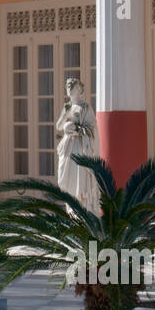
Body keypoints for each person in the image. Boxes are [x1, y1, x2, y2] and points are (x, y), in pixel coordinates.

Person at [55, 77, 99, 213]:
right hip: (68, 146)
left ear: (79, 89)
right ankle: (71, 208)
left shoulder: (85, 107)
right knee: (65, 178)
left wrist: (75, 129)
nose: (69, 90)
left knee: (79, 178)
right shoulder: (67, 106)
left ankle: (80, 210)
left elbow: (91, 128)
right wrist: (65, 121)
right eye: (67, 87)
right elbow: (58, 126)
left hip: (80, 147)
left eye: (71, 87)